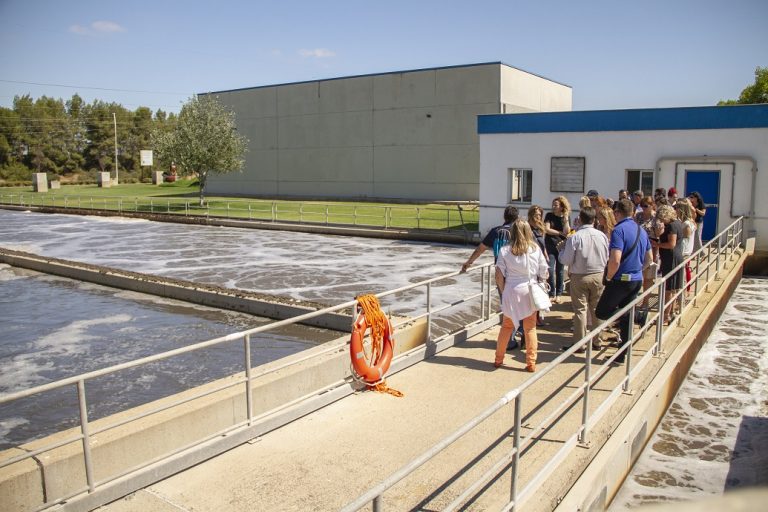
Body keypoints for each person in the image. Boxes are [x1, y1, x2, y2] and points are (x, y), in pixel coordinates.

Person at [595, 199, 652, 364]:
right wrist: (637, 271)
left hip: (620, 280)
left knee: (602, 312)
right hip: (636, 279)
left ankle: (639, 316)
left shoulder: (619, 230)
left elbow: (615, 260)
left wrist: (609, 277)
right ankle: (621, 354)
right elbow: (650, 259)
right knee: (626, 316)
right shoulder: (641, 230)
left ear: (617, 213)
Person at [494, 220, 549, 372]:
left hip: (511, 289)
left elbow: (498, 275)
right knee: (530, 328)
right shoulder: (535, 249)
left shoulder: (505, 250)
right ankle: (531, 362)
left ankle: (499, 359)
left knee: (506, 327)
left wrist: (504, 290)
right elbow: (544, 271)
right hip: (529, 289)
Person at [558, 207, 608, 352]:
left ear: (580, 219)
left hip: (580, 276)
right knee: (596, 310)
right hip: (598, 274)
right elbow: (606, 256)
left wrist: (561, 251)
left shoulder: (576, 237)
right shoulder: (602, 236)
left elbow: (566, 259)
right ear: (595, 219)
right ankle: (597, 341)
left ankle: (580, 343)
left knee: (580, 310)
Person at [461, 206, 518, 272]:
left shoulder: (496, 231)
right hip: (517, 270)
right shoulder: (520, 231)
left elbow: (480, 249)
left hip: (500, 270)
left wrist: (468, 262)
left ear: (504, 217)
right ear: (517, 218)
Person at [653, 205, 684, 323]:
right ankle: (670, 313)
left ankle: (665, 316)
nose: (660, 221)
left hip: (672, 259)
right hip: (674, 258)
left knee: (669, 289)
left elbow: (671, 244)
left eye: (661, 218)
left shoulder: (671, 226)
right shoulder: (677, 223)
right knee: (672, 288)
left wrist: (657, 245)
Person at [635, 196, 664, 310]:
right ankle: (635, 300)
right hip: (638, 249)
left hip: (651, 250)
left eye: (646, 206)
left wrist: (658, 229)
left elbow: (659, 235)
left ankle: (645, 302)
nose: (643, 208)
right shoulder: (638, 216)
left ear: (652, 205)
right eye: (642, 205)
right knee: (638, 277)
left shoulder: (656, 218)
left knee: (648, 278)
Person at [544, 196, 571, 303]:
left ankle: (559, 293)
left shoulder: (565, 216)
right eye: (553, 205)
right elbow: (547, 229)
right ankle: (552, 293)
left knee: (559, 271)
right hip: (550, 245)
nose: (554, 207)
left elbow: (567, 232)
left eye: (556, 205)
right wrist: (559, 233)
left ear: (561, 207)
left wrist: (566, 220)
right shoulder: (549, 215)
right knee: (550, 269)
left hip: (561, 246)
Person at [528, 205, 548, 327]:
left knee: (541, 289)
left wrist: (545, 255)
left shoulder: (540, 228)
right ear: (531, 214)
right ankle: (534, 316)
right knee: (534, 290)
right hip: (532, 261)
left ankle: (539, 315)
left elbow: (543, 244)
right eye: (536, 214)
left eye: (540, 214)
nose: (538, 216)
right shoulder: (527, 228)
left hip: (541, 260)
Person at [675, 199, 696, 295]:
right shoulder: (684, 221)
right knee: (683, 272)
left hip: (684, 251)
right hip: (683, 251)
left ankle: (684, 293)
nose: (675, 210)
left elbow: (686, 236)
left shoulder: (687, 223)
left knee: (682, 274)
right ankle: (684, 291)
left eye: (676, 208)